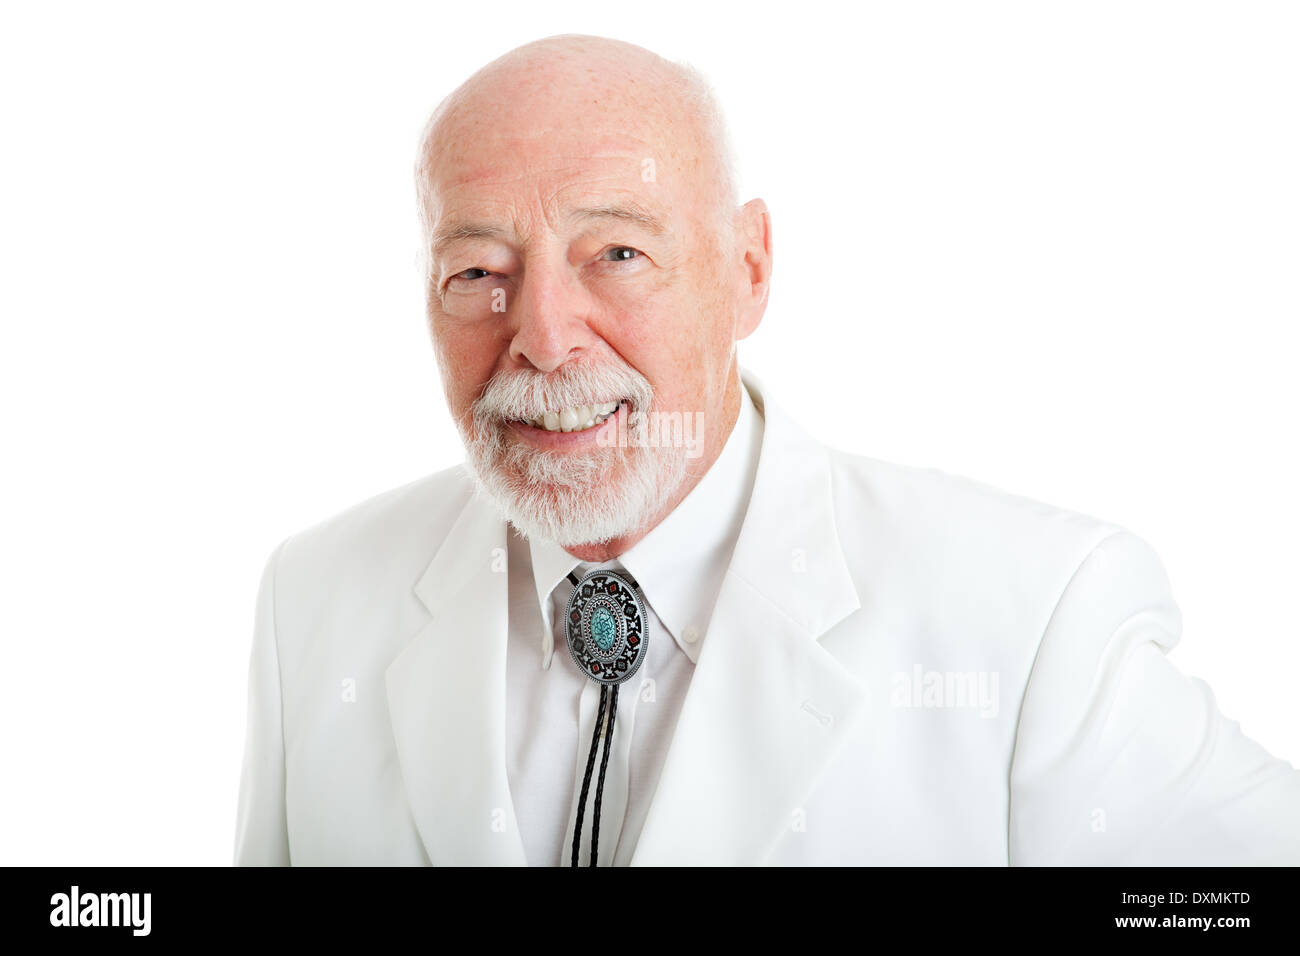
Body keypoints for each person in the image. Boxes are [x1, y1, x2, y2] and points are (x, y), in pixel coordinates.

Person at [234, 34, 1300, 866]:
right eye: (477, 271)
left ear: (746, 269)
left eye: (617, 252)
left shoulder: (1032, 624)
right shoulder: (312, 602)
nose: (544, 335)